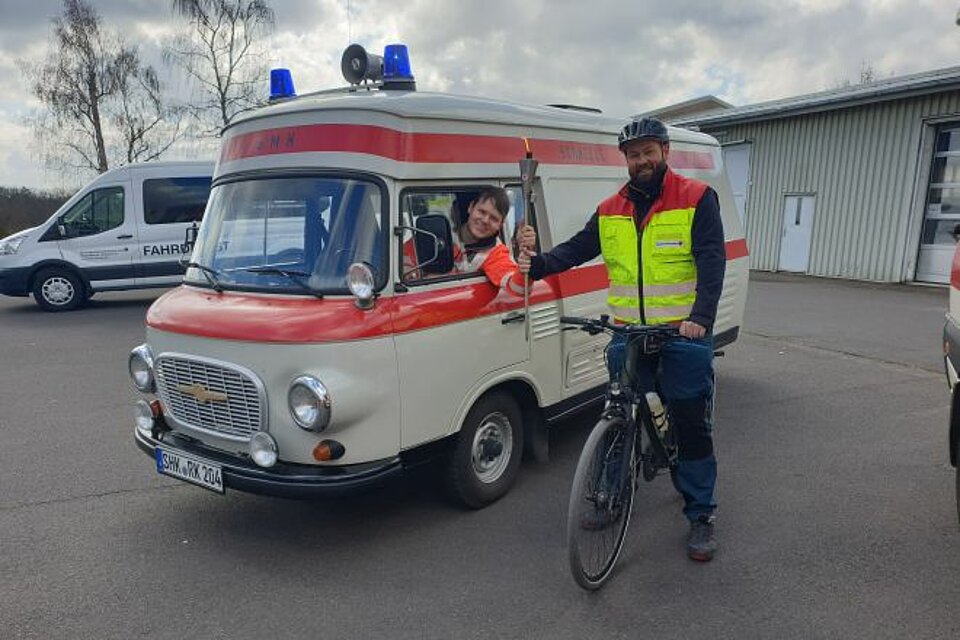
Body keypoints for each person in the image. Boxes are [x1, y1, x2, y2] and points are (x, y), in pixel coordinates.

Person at [518, 117, 725, 562]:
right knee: (618, 414)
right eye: (634, 154)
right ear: (626, 160)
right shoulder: (612, 208)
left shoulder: (696, 199)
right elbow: (575, 249)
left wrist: (701, 318)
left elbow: (712, 264)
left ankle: (701, 513)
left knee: (689, 424)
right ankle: (611, 498)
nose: (642, 160)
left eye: (649, 151)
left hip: (681, 334)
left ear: (665, 152)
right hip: (628, 333)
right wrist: (534, 266)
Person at [407, 186, 536, 298]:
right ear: (471, 208)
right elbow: (403, 259)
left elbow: (519, 289)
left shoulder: (495, 253)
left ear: (500, 225)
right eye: (482, 211)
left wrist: (526, 260)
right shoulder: (437, 235)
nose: (485, 220)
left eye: (494, 218)